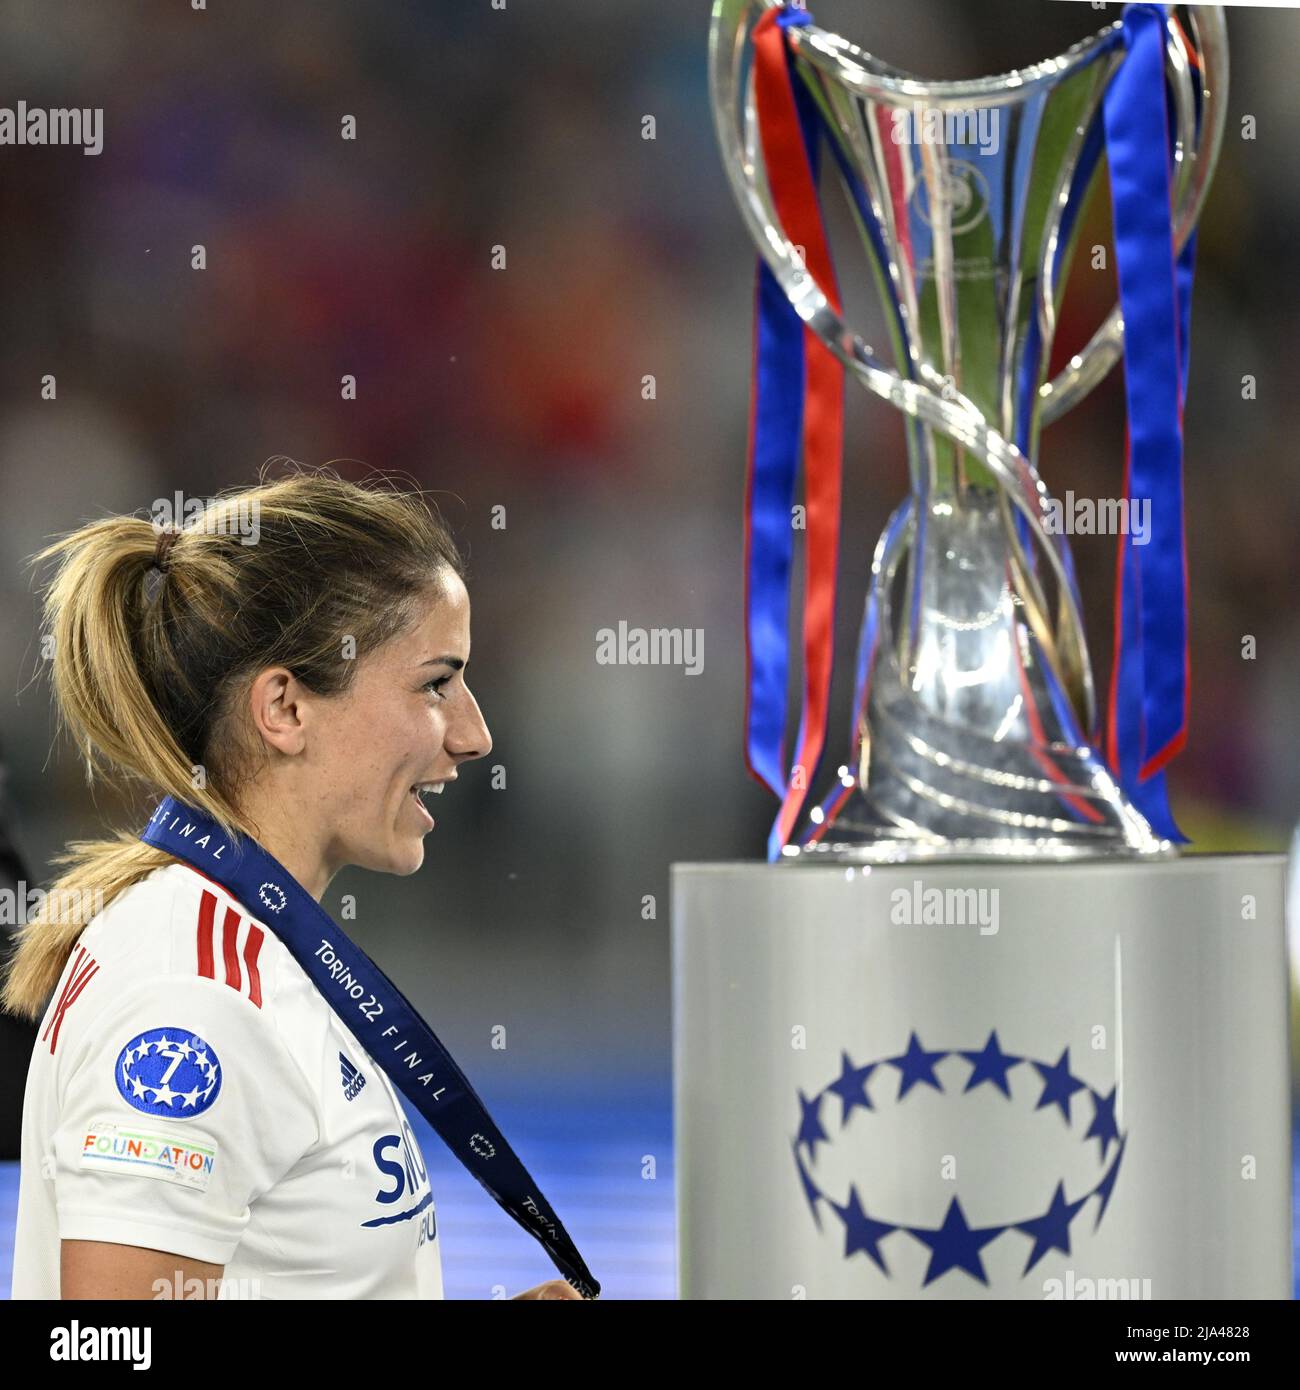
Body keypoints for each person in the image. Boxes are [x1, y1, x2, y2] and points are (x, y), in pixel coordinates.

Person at [1, 468, 583, 1300]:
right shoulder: (194, 992)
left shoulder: (249, 943)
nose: (474, 734)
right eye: (434, 683)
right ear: (284, 708)